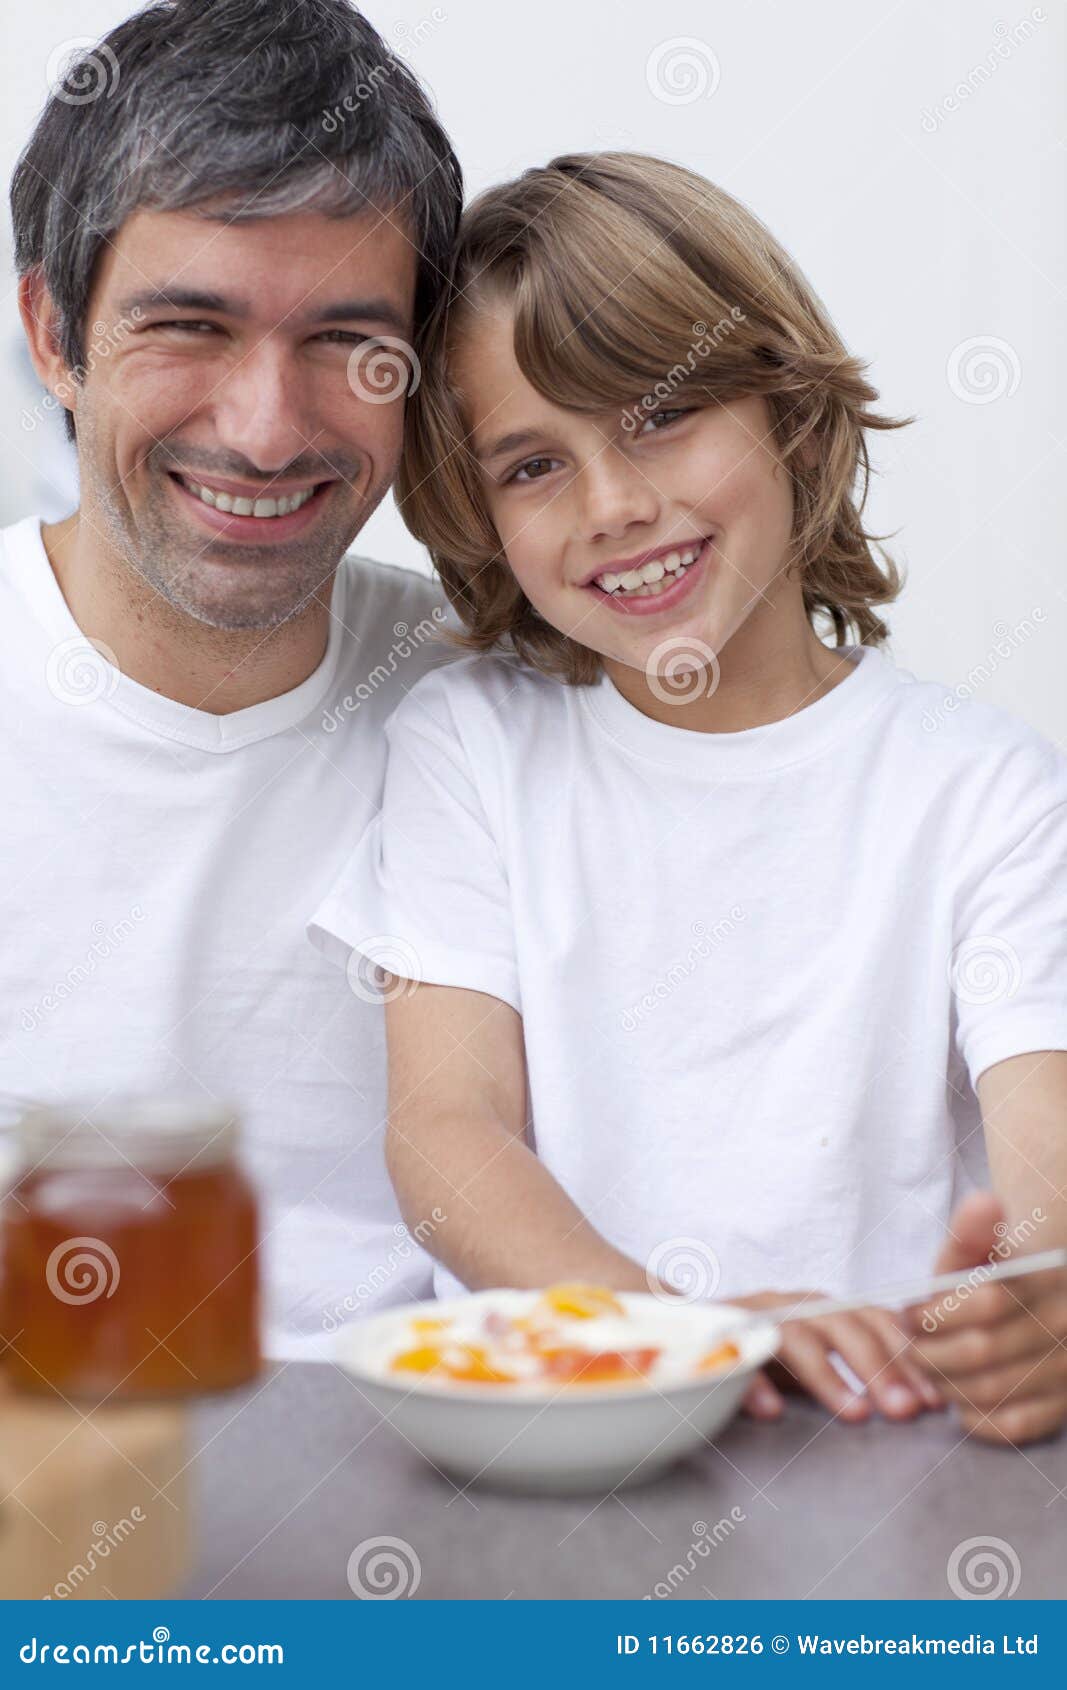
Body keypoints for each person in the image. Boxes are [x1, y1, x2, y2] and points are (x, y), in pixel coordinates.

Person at [310, 153, 1067, 1441]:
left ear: (784, 407)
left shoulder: (983, 787)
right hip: (578, 1444)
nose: (616, 504)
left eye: (659, 416)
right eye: (534, 466)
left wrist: (1043, 1293)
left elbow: (1044, 1133)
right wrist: (671, 1337)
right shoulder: (472, 746)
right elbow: (450, 1131)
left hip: (892, 1442)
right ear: (480, 516)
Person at [1, 0, 462, 1358]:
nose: (266, 431)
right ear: (52, 331)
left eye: (345, 340)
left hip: (449, 1501)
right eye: (189, 326)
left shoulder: (511, 708)